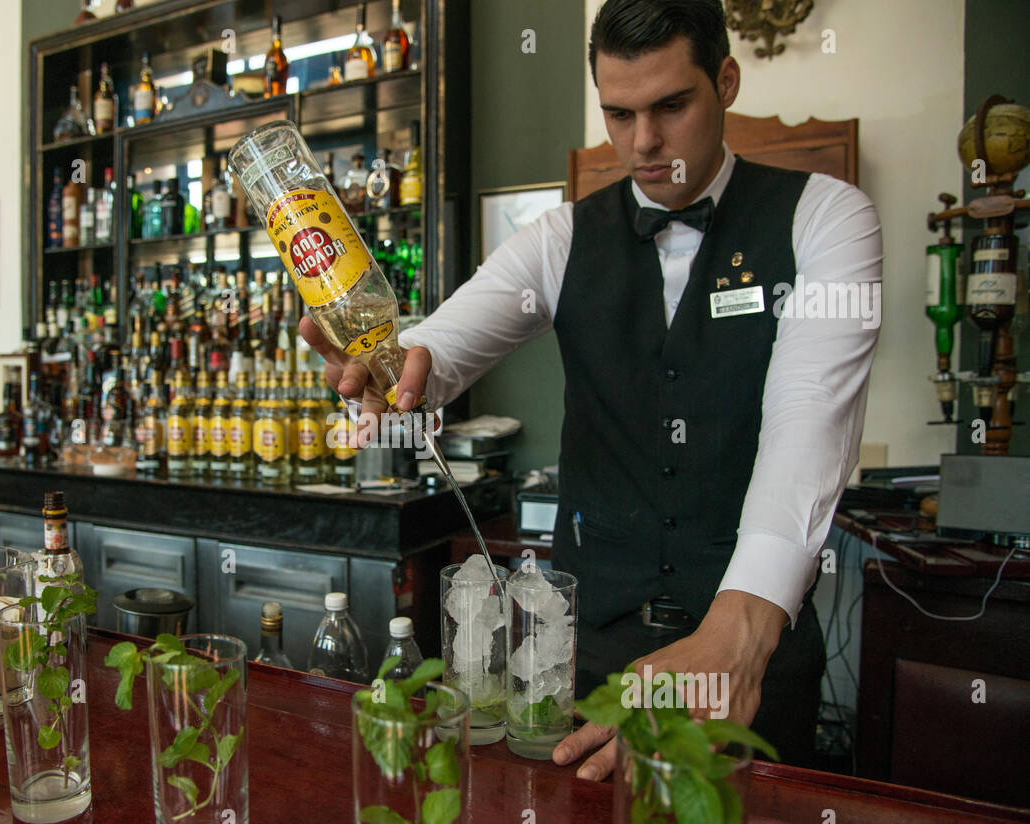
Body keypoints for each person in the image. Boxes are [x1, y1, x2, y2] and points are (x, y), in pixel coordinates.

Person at [299, 0, 882, 779]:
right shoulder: (560, 237)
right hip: (587, 657)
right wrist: (385, 371)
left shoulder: (825, 218)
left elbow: (806, 420)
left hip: (751, 656)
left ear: (728, 81)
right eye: (619, 113)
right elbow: (438, 348)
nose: (644, 142)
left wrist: (739, 631)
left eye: (672, 105)